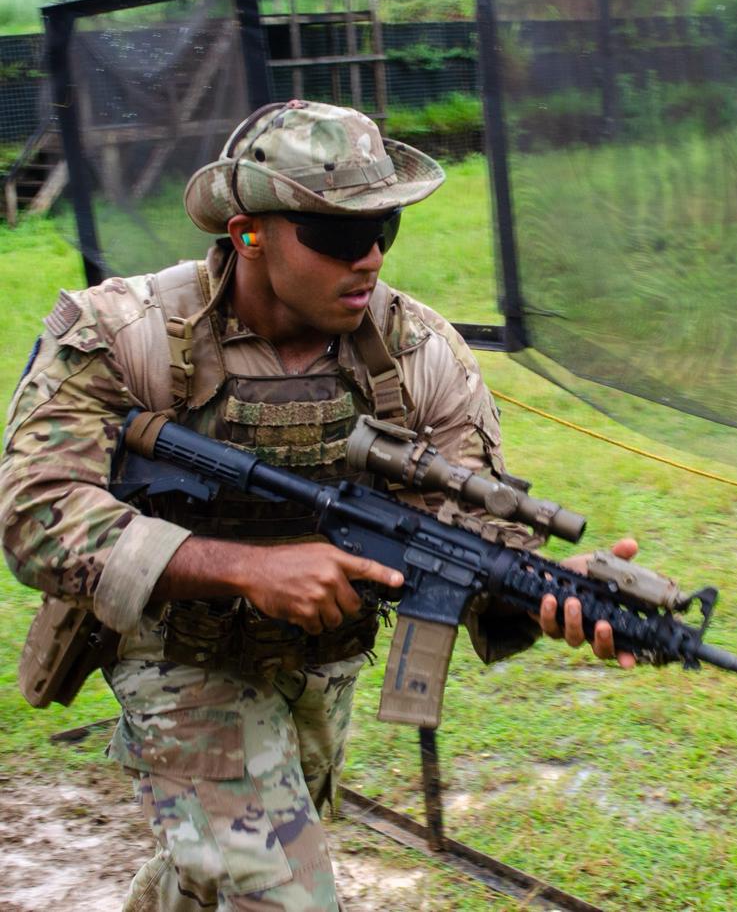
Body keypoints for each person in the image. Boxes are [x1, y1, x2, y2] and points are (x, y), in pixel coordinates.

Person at [0, 100, 634, 911]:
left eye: (385, 231)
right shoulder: (124, 333)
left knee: (211, 866)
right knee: (281, 889)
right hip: (172, 648)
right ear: (248, 233)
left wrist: (545, 584)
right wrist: (245, 569)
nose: (368, 259)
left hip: (318, 658)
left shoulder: (417, 353)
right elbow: (34, 513)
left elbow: (474, 523)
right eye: (337, 236)